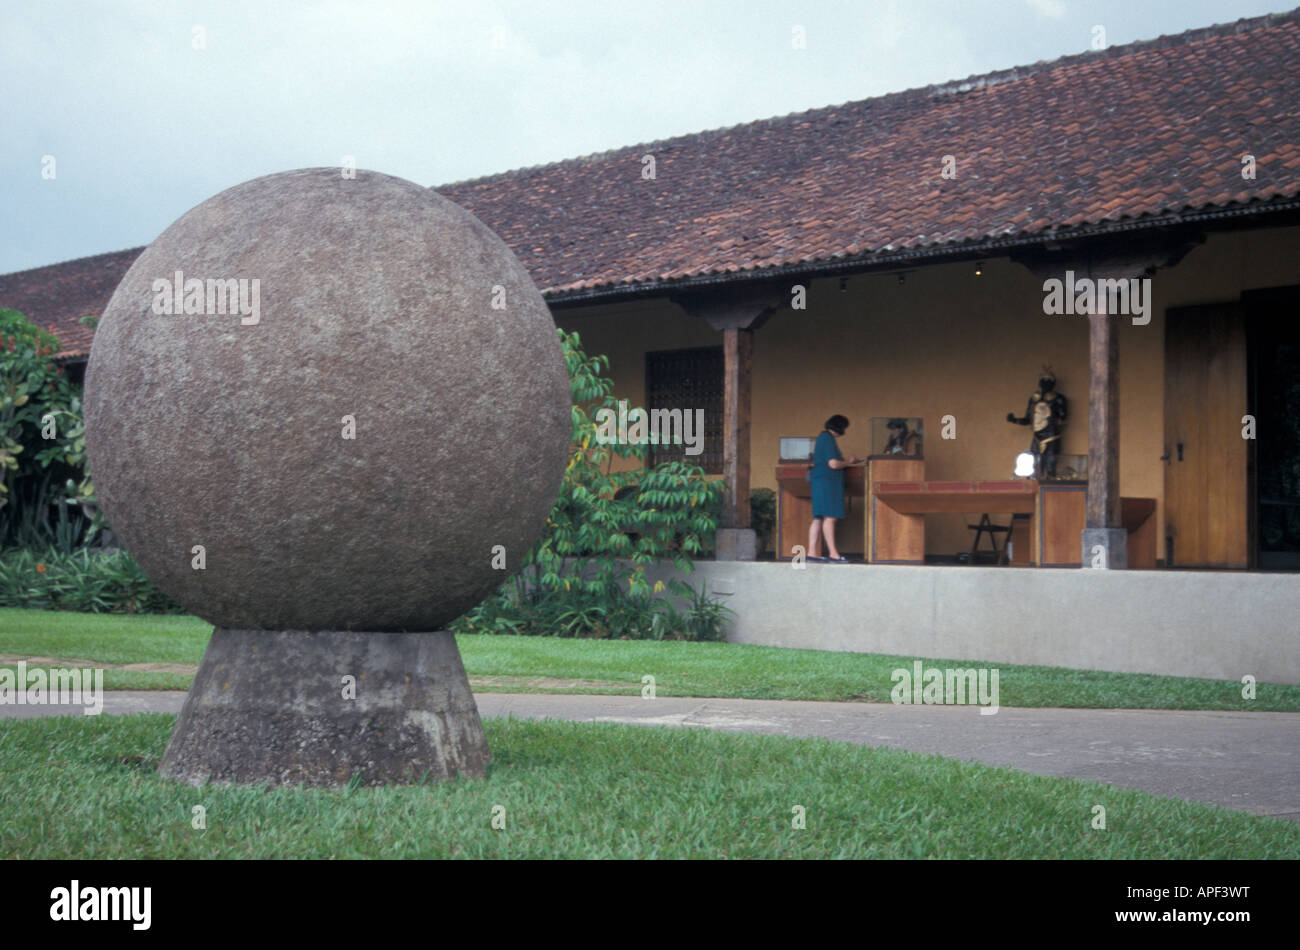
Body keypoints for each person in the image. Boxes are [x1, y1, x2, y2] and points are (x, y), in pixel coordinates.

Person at [808, 414, 862, 562]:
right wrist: (848, 462)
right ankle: (833, 554)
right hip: (828, 483)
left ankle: (811, 553)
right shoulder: (828, 439)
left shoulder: (822, 437)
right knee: (830, 518)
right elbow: (833, 464)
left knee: (818, 518)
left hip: (819, 482)